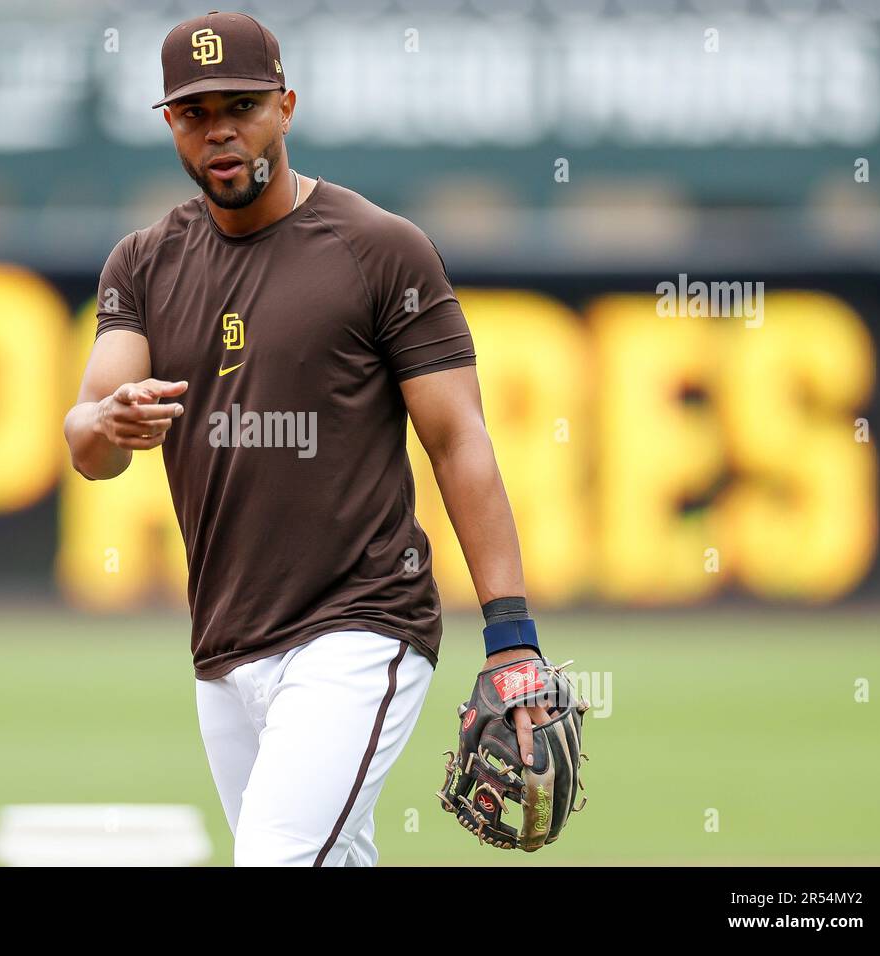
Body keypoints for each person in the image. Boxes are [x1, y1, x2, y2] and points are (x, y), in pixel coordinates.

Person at [63, 10, 550, 866]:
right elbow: (90, 443)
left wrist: (511, 638)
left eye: (241, 105)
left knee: (276, 858)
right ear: (169, 124)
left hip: (362, 625)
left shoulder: (381, 250)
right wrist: (104, 422)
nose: (219, 130)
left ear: (286, 107)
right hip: (225, 642)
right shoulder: (142, 263)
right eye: (192, 112)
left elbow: (459, 441)